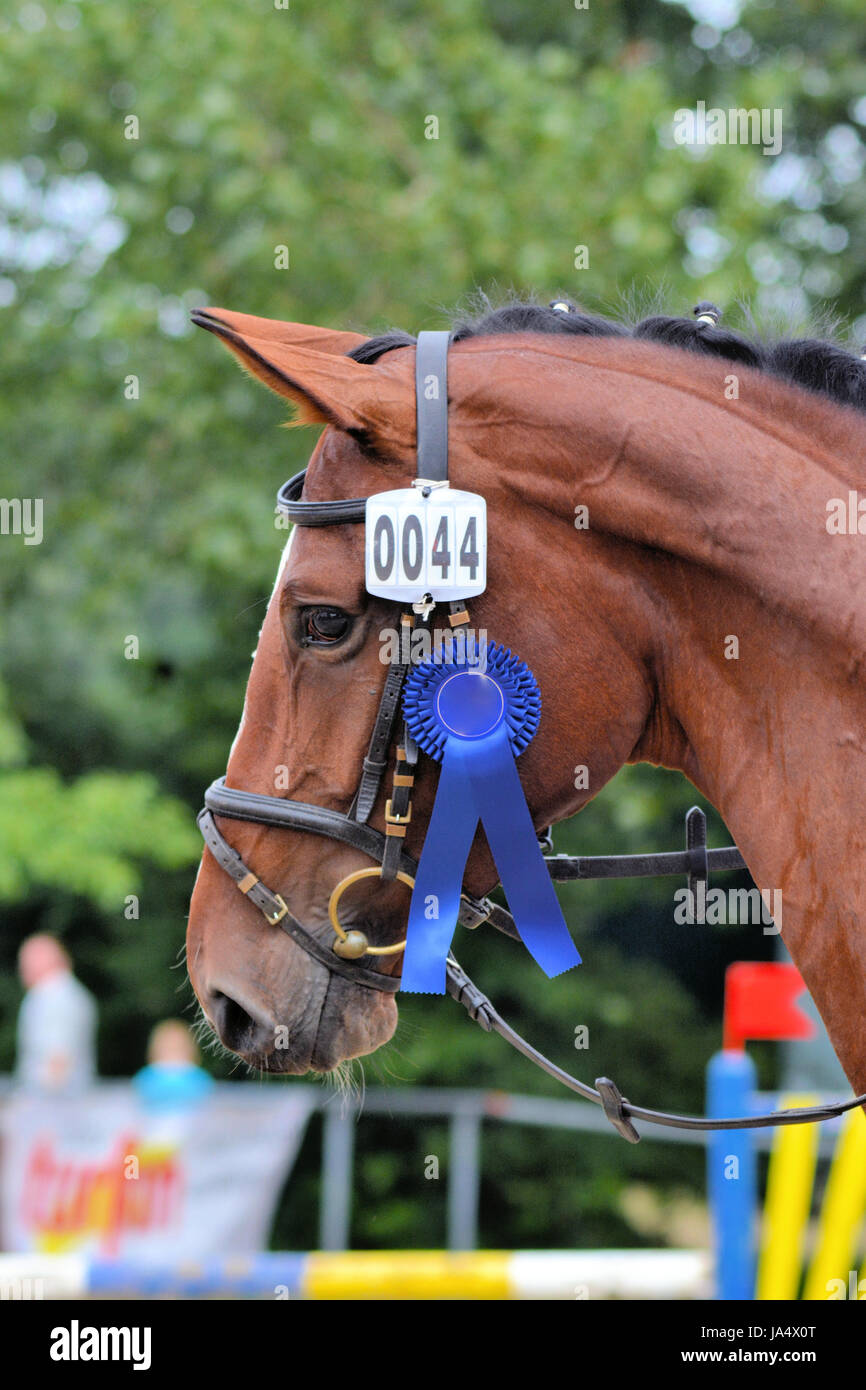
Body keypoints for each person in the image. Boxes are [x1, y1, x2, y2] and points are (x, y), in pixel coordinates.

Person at [16, 934, 98, 1092]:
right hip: (69, 1097)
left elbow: (58, 1057)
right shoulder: (70, 992)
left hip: (53, 1099)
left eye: (25, 959)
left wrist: (39, 1101)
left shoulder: (52, 995)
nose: (21, 967)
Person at [132, 1020, 214, 1109]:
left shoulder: (200, 1078)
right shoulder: (146, 1077)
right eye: (167, 1047)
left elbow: (205, 1104)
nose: (172, 1051)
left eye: (178, 1047)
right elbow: (139, 1104)